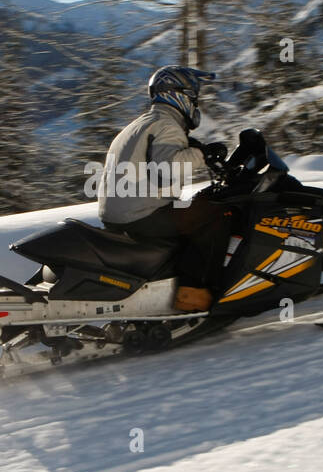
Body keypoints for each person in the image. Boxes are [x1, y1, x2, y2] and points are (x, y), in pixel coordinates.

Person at [98, 66, 233, 311]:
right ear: (179, 94)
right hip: (141, 215)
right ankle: (193, 294)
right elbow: (168, 168)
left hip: (118, 215)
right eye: (193, 96)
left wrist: (194, 148)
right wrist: (202, 154)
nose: (195, 102)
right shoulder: (167, 125)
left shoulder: (143, 123)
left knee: (192, 210)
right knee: (216, 216)